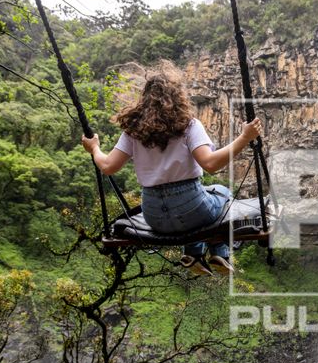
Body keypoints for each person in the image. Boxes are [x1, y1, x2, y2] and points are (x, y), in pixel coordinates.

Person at [81, 63, 263, 276]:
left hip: (153, 215)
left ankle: (194, 255)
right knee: (223, 193)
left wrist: (94, 148)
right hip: (192, 208)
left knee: (207, 200)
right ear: (178, 96)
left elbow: (108, 166)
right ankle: (219, 253)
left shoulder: (133, 131)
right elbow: (211, 164)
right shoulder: (189, 126)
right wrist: (245, 138)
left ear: (145, 99)